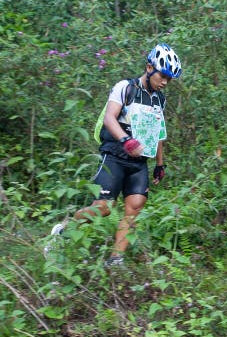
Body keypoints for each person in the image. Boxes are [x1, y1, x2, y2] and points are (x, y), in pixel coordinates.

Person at [51, 43, 182, 266]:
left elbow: (159, 131)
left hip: (140, 160)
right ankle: (64, 230)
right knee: (103, 207)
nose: (165, 82)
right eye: (163, 76)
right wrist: (125, 139)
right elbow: (110, 118)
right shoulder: (125, 87)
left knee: (136, 205)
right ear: (149, 67)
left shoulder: (160, 98)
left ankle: (115, 259)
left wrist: (160, 164)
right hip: (115, 154)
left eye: (169, 79)